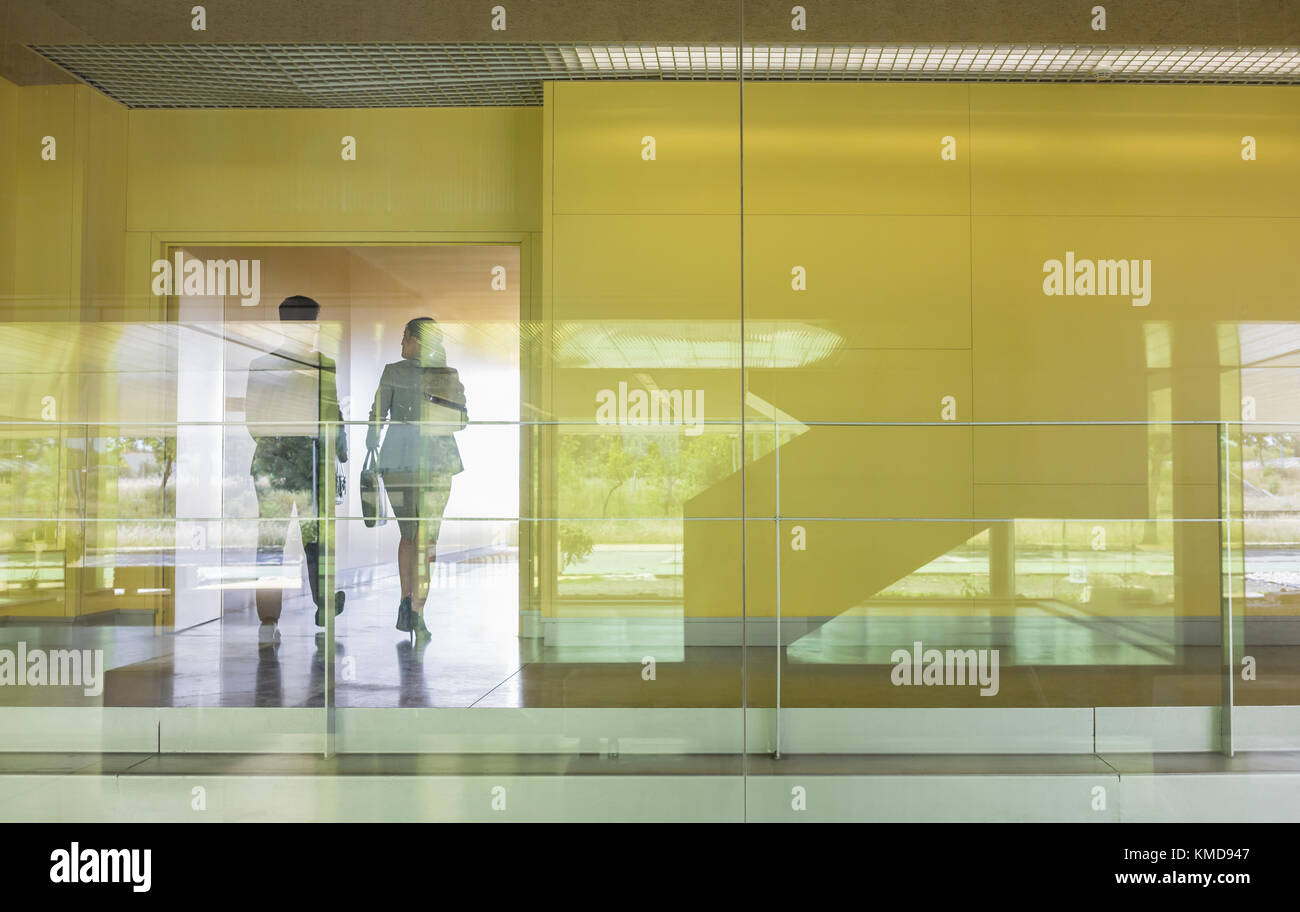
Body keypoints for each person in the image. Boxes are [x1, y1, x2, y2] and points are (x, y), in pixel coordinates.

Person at [245, 295, 348, 644]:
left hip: (277, 465)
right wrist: (337, 453)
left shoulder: (264, 364)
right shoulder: (320, 365)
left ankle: (273, 618)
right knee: (312, 541)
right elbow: (332, 416)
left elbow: (254, 423)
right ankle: (321, 605)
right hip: (307, 463)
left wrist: (282, 441)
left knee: (278, 543)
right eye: (313, 322)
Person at [367, 317, 467, 639]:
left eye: (404, 338)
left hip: (398, 462)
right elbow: (462, 422)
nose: (401, 345)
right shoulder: (446, 375)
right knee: (428, 540)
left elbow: (376, 418)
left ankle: (405, 599)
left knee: (408, 536)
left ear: (416, 341)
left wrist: (372, 446)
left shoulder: (393, 372)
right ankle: (417, 612)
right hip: (438, 462)